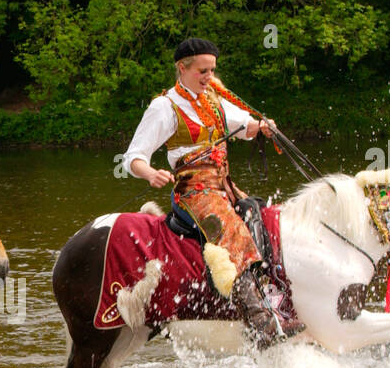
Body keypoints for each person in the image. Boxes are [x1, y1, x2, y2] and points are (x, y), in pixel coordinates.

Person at [122, 36, 301, 348]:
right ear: (182, 68)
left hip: (224, 186)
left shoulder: (214, 101)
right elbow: (133, 157)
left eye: (212, 70)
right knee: (231, 230)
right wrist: (150, 172)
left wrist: (261, 126)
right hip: (194, 193)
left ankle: (273, 293)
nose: (208, 77)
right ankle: (260, 320)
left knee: (259, 215)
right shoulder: (164, 107)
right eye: (202, 71)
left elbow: (244, 125)